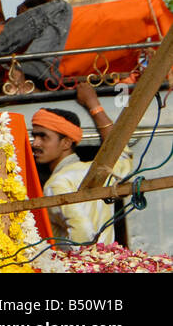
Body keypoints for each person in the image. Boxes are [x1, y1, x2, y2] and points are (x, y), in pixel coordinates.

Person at [31, 82, 132, 247]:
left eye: (43, 137)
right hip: (106, 262)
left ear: (66, 143)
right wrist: (95, 106)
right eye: (34, 136)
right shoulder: (96, 171)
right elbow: (122, 155)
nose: (35, 143)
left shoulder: (57, 184)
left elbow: (83, 234)